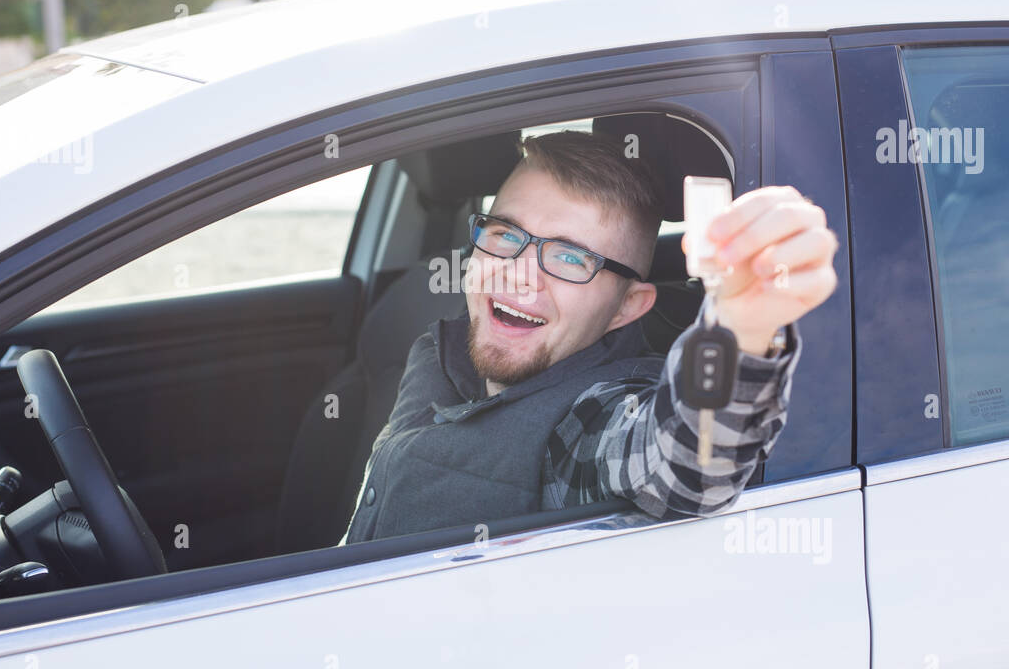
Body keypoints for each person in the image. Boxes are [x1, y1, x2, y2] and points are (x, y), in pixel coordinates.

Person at [340, 130, 838, 544]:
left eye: (570, 258)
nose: (518, 274)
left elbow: (682, 460)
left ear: (627, 307)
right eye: (506, 234)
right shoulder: (438, 350)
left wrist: (740, 328)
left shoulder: (588, 419)